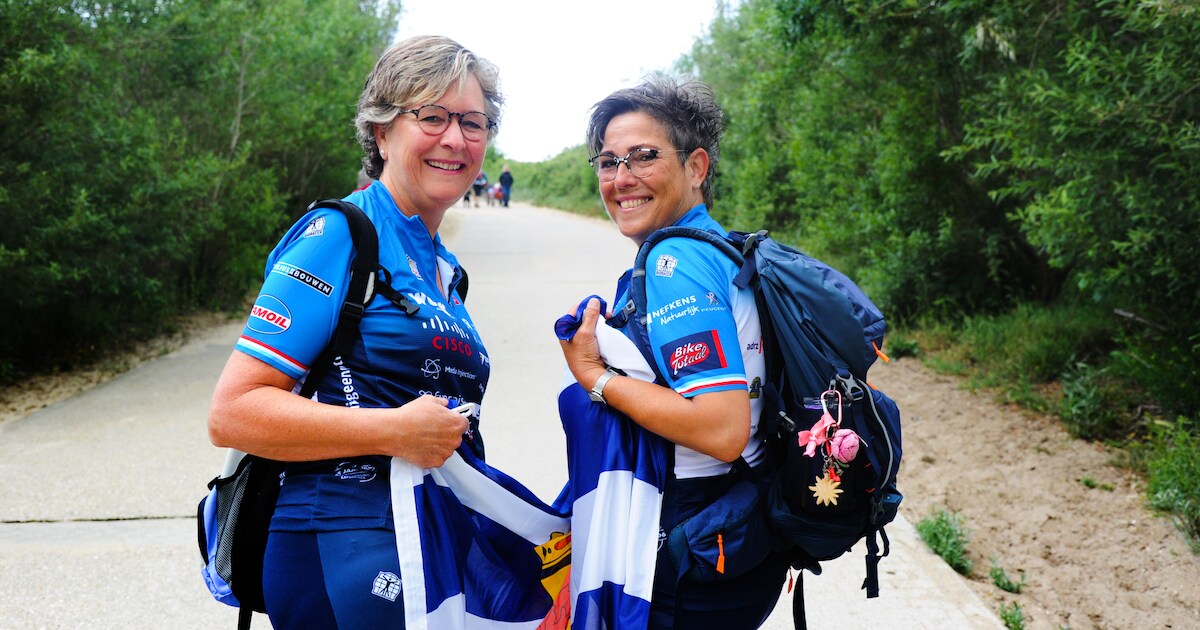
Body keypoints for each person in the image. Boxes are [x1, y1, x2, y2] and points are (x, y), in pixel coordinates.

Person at [207, 35, 502, 629]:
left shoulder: (443, 268)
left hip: (421, 536)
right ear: (382, 131)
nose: (455, 138)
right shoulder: (339, 234)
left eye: (473, 122)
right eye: (432, 116)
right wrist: (395, 430)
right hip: (337, 536)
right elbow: (233, 413)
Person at [557, 75, 787, 629]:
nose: (621, 178)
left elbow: (719, 428)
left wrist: (596, 378)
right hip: (737, 522)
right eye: (608, 162)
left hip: (695, 534)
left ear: (697, 167)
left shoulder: (674, 263)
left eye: (643, 157)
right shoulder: (720, 249)